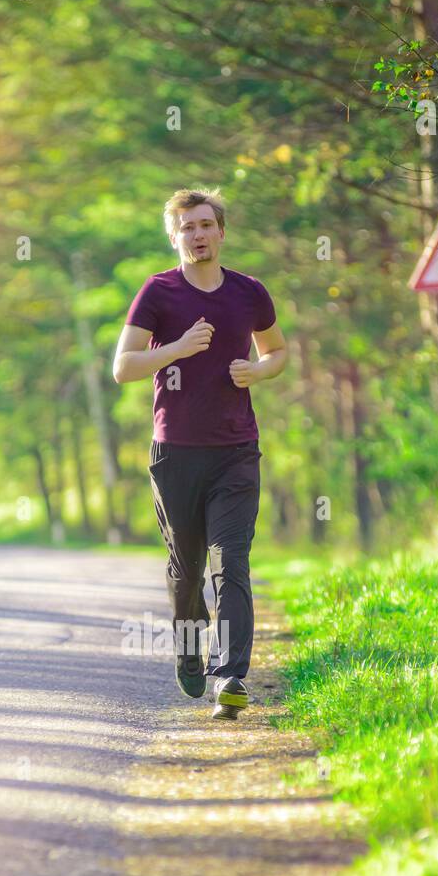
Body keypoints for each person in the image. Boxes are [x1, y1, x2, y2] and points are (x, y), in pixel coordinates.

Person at [113, 187, 287, 719]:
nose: (198, 235)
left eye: (206, 224)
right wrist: (177, 349)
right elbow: (123, 367)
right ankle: (189, 647)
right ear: (175, 237)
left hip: (236, 448)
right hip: (175, 452)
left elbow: (276, 350)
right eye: (187, 227)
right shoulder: (159, 292)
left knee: (230, 561)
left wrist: (258, 370)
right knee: (186, 569)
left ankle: (230, 676)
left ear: (221, 232)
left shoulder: (249, 292)